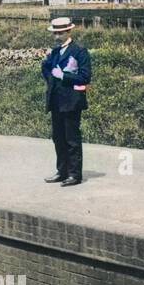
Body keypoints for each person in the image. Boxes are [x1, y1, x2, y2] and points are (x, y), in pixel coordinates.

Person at [41, 16, 92, 187]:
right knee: (58, 138)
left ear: (69, 31)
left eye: (60, 33)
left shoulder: (79, 51)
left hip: (71, 101)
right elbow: (46, 70)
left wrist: (63, 76)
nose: (57, 37)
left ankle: (74, 174)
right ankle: (62, 172)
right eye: (55, 33)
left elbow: (85, 77)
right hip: (56, 100)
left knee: (71, 138)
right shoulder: (54, 52)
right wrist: (49, 70)